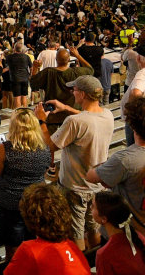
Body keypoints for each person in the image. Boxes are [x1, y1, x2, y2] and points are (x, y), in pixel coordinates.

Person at [86, 97, 145, 243]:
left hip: (128, 234)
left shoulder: (124, 159)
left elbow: (91, 176)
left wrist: (106, 167)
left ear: (133, 125)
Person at [44, 75, 113, 250]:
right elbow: (87, 118)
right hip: (96, 184)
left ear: (82, 94)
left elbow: (50, 146)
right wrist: (66, 108)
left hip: (75, 187)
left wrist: (41, 121)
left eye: (74, 90)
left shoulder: (74, 122)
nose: (72, 93)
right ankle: (92, 263)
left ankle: (79, 267)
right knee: (93, 228)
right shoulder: (107, 114)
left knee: (75, 233)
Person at [0, 108, 52, 260]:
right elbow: (45, 171)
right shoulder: (44, 148)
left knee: (13, 247)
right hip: (35, 201)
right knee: (34, 241)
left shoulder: (5, 149)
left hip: (11, 202)